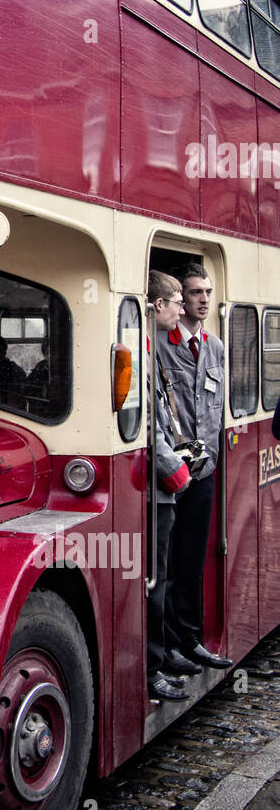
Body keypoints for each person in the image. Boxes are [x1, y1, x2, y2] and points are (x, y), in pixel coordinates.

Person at [160, 263, 232, 675]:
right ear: (180, 299)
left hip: (203, 472)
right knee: (167, 563)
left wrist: (212, 460)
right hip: (172, 472)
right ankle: (169, 645)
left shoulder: (215, 346)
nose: (204, 299)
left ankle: (192, 640)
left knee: (191, 561)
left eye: (207, 291)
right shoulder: (162, 344)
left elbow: (215, 407)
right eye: (194, 293)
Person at [146, 272, 192, 702]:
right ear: (157, 305)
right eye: (176, 301)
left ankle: (162, 653)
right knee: (153, 580)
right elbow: (147, 426)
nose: (181, 308)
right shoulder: (143, 353)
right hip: (154, 490)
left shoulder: (152, 350)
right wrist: (175, 470)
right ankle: (152, 666)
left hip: (160, 485)